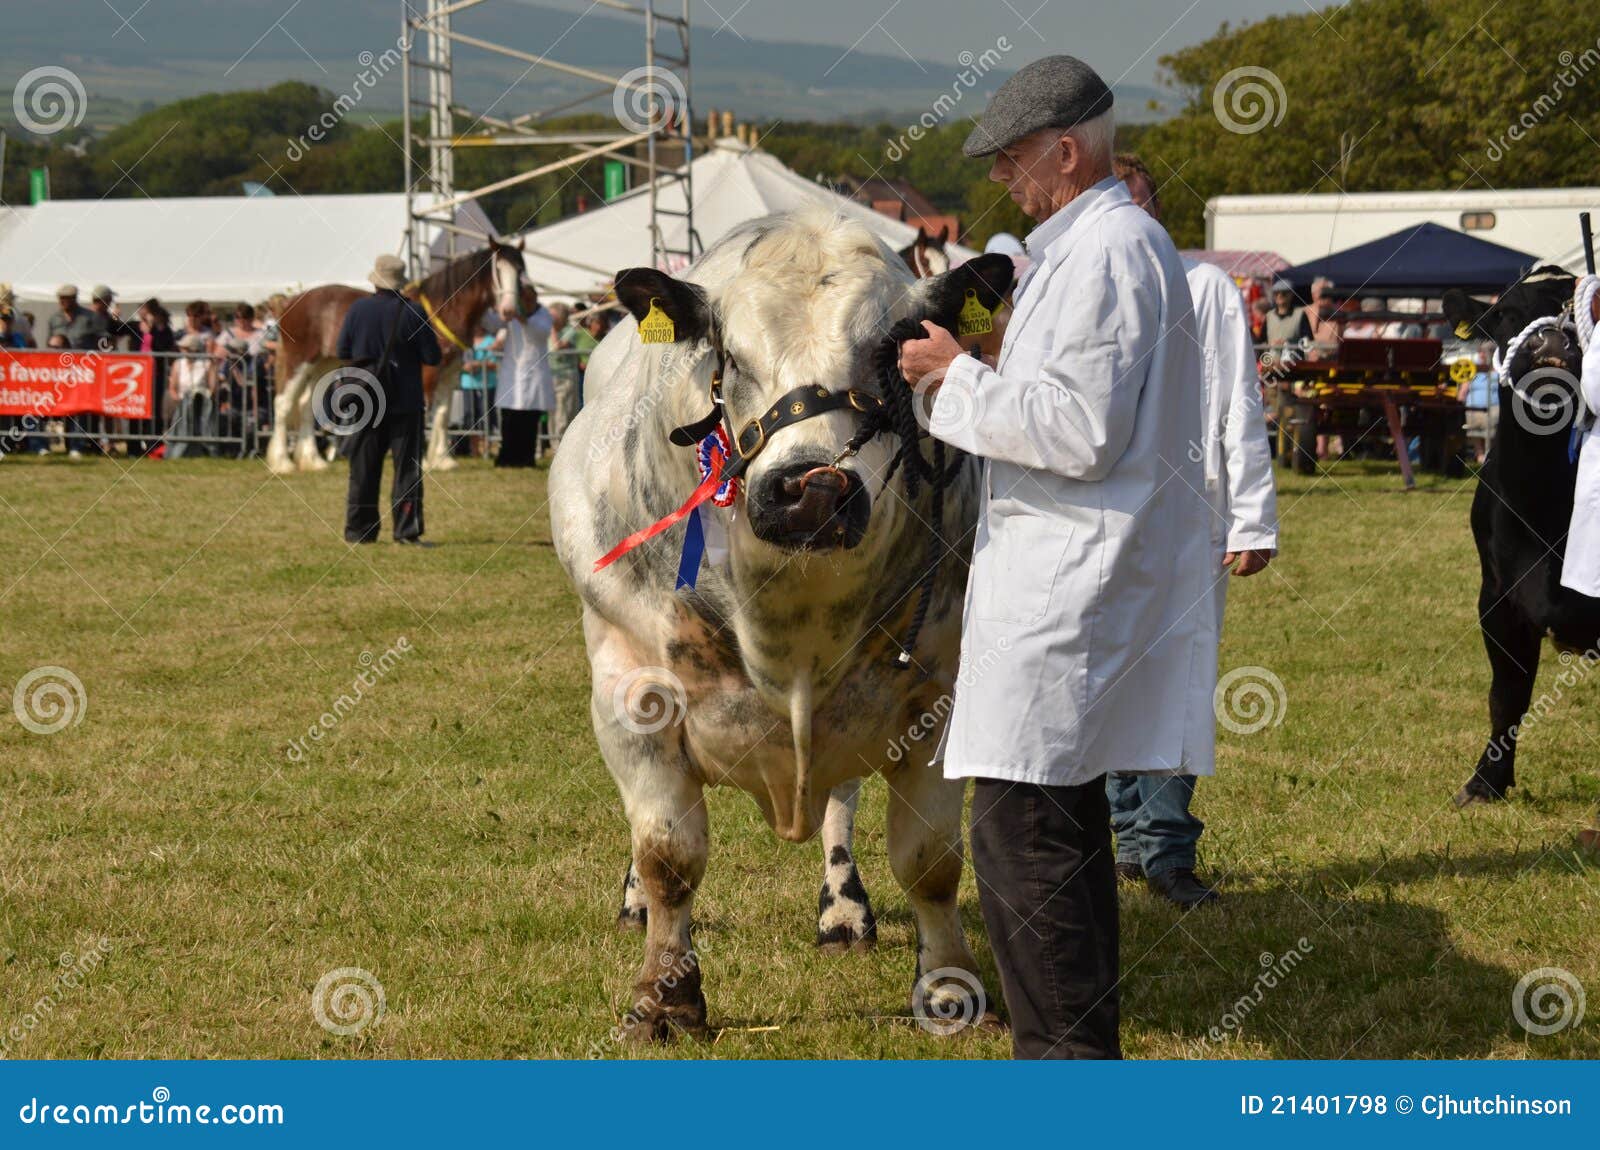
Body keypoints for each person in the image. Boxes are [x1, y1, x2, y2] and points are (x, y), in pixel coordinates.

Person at [898, 55, 1215, 1060]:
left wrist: (953, 377)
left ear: (1067, 150)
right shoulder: (1095, 248)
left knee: (1023, 834)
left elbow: (1078, 431)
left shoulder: (1110, 251)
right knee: (1048, 827)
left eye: (1012, 159)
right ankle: (1074, 1053)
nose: (1002, 179)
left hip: (1069, 583)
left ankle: (1066, 1065)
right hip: (1065, 571)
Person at [1110, 153, 1280, 907]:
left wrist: (1252, 518)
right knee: (1108, 675)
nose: (1128, 217)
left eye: (1139, 201)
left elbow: (1239, 402)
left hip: (1188, 513)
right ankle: (1122, 838)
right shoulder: (1076, 291)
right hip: (1102, 517)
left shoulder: (1202, 288)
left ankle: (1167, 848)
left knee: (1178, 676)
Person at [337, 253, 441, 543]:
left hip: (367, 400)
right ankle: (406, 532)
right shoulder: (414, 311)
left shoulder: (357, 309)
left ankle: (359, 530)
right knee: (407, 470)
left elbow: (343, 350)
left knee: (363, 470)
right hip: (405, 403)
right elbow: (432, 356)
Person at [495, 282, 553, 468]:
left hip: (534, 377)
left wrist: (522, 319)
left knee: (528, 423)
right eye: (523, 299)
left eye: (529, 299)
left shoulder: (543, 314)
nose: (526, 302)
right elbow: (494, 324)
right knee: (509, 421)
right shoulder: (512, 315)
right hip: (512, 376)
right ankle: (506, 458)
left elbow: (541, 333)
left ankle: (526, 459)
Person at [48, 284, 108, 457]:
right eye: (60, 299)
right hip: (62, 371)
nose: (62, 302)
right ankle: (69, 443)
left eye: (65, 299)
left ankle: (81, 444)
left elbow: (105, 339)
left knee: (83, 408)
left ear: (73, 299)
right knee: (66, 407)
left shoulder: (90, 317)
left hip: (86, 371)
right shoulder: (54, 319)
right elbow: (49, 342)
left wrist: (96, 356)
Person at [1263, 279, 1310, 346]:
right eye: (1276, 293)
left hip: (1293, 355)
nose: (1279, 296)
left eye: (1283, 293)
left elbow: (1307, 340)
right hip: (1272, 356)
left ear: (1291, 294)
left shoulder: (1300, 314)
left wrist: (1288, 342)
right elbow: (1263, 341)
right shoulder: (1269, 316)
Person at [1304, 277, 1342, 346]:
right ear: (1312, 295)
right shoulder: (1304, 312)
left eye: (1325, 290)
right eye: (1319, 291)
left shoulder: (1340, 315)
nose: (1322, 294)